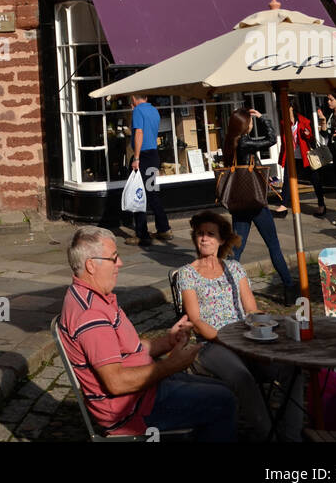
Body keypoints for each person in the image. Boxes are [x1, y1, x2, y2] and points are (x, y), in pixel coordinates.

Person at [59, 226, 236, 440]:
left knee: (224, 389)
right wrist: (172, 365)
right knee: (224, 399)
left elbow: (126, 350)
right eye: (113, 258)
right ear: (91, 265)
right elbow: (116, 383)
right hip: (133, 409)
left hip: (143, 392)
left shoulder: (93, 296)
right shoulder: (91, 315)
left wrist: (168, 342)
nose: (120, 263)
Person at [179, 210, 303, 442]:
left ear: (222, 239)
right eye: (200, 234)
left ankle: (292, 435)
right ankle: (269, 436)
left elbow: (252, 309)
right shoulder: (188, 274)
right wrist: (226, 341)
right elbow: (195, 320)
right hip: (211, 345)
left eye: (210, 234)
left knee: (292, 369)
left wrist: (269, 324)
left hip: (245, 340)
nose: (204, 239)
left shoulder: (234, 269)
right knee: (242, 377)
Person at [223, 107, 296, 305]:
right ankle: (289, 288)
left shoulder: (229, 142)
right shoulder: (245, 142)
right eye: (250, 121)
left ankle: (226, 291)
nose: (252, 123)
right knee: (273, 246)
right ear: (245, 124)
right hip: (254, 202)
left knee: (236, 250)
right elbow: (271, 139)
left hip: (238, 202)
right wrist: (264, 118)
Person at [125, 92, 173, 246]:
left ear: (134, 98)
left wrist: (136, 157)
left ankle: (142, 235)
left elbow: (139, 132)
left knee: (138, 194)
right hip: (153, 155)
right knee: (152, 194)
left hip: (143, 157)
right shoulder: (154, 110)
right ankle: (164, 229)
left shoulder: (138, 110)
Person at [280, 101, 326, 216]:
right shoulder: (283, 122)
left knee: (315, 179)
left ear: (292, 107)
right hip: (291, 156)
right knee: (287, 180)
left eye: (286, 106)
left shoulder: (303, 120)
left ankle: (321, 204)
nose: (283, 109)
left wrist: (307, 134)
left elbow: (310, 138)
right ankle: (283, 205)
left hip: (305, 156)